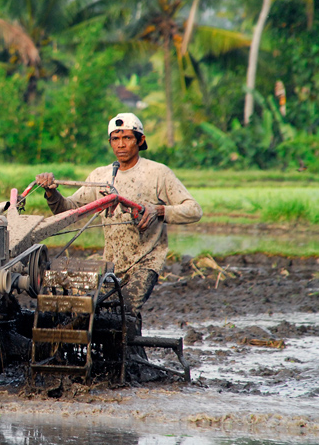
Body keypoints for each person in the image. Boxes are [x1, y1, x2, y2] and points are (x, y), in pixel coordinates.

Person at [35, 112, 202, 347]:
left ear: (140, 140)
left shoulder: (158, 173)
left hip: (145, 262)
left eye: (127, 138)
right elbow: (68, 209)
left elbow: (194, 209)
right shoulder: (101, 176)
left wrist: (159, 211)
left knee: (122, 310)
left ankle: (125, 364)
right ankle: (129, 362)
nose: (121, 144)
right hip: (112, 265)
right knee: (108, 315)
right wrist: (52, 192)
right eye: (115, 138)